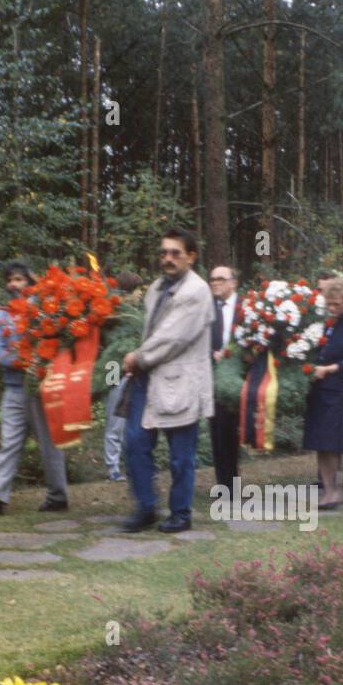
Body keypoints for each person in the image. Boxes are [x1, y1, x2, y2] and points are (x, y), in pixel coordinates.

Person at [121, 227, 214, 533]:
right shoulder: (157, 288)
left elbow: (172, 338)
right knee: (134, 443)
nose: (168, 258)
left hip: (180, 382)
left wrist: (137, 358)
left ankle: (181, 513)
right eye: (164, 252)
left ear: (191, 256)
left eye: (176, 253)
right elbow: (151, 334)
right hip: (147, 379)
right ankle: (146, 507)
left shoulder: (196, 292)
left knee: (181, 455)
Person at [0, 262, 69, 516]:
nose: (13, 284)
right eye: (10, 280)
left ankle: (58, 496)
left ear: (29, 283)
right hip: (14, 389)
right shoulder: (0, 317)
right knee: (9, 442)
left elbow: (59, 345)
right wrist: (24, 360)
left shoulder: (45, 311)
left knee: (49, 443)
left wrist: (41, 361)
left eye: (19, 279)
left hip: (41, 389)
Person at [304, 278, 343, 508]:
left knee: (334, 444)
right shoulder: (323, 325)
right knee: (321, 444)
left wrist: (328, 369)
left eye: (337, 304)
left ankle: (337, 490)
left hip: (341, 391)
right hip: (319, 391)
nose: (333, 307)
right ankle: (327, 490)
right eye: (329, 303)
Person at [102, 272, 147, 481]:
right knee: (115, 417)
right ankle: (113, 467)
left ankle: (134, 466)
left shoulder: (137, 313)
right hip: (112, 367)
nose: (141, 294)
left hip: (134, 369)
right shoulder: (111, 312)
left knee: (134, 420)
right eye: (138, 290)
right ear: (129, 291)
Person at [207, 264, 245, 498]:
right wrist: (210, 352)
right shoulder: (206, 309)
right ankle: (226, 485)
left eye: (221, 279)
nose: (215, 283)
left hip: (241, 377)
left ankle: (234, 482)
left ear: (233, 282)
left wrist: (236, 354)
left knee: (237, 432)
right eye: (212, 279)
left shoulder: (248, 308)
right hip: (213, 378)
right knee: (218, 431)